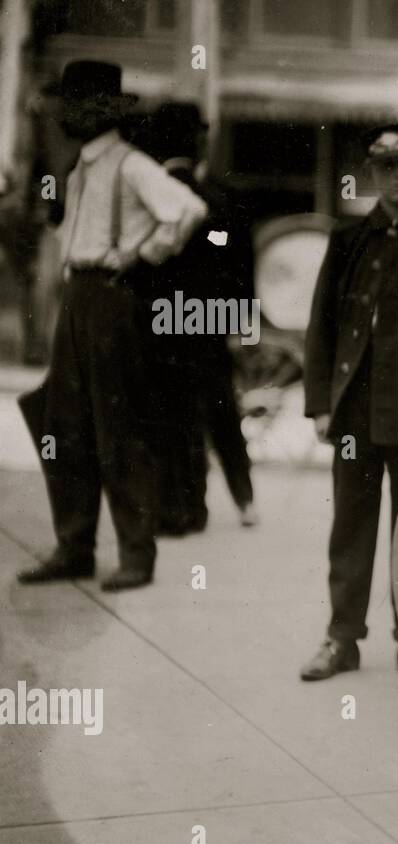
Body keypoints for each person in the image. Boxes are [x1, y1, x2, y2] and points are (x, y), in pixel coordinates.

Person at [17, 60, 208, 592]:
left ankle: (135, 554)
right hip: (79, 295)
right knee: (63, 424)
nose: (64, 113)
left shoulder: (130, 164)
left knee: (116, 427)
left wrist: (139, 255)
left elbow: (187, 210)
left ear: (100, 109)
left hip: (108, 297)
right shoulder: (78, 167)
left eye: (74, 104)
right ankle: (74, 546)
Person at [300, 123, 398, 681]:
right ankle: (341, 639)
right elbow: (322, 325)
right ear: (373, 173)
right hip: (356, 407)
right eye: (387, 166)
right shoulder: (347, 240)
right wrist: (319, 403)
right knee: (351, 527)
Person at [133, 101, 258, 535]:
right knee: (220, 411)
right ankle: (242, 499)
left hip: (159, 322)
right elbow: (238, 260)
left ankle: (177, 505)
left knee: (167, 413)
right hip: (207, 321)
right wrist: (241, 326)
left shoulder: (149, 197)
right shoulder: (220, 201)